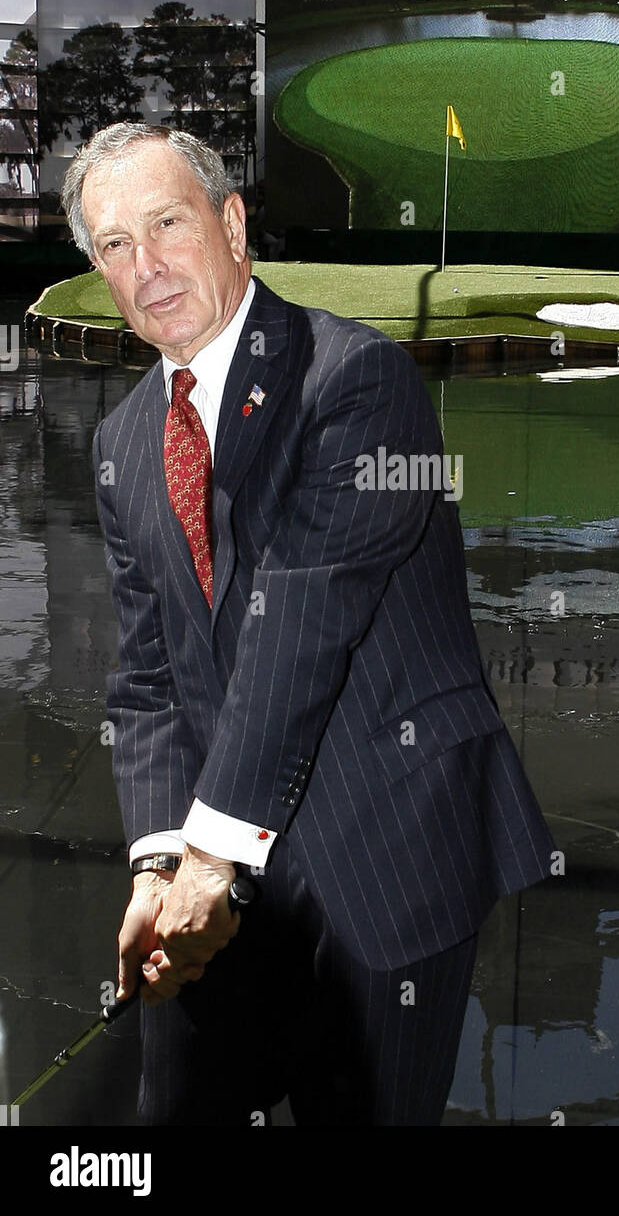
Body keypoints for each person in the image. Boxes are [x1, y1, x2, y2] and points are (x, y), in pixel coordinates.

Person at [63, 122, 556, 1127]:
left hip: (383, 859)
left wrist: (207, 861)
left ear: (232, 224)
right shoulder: (122, 443)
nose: (144, 264)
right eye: (114, 244)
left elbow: (299, 620)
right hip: (216, 877)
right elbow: (149, 679)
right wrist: (161, 860)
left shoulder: (356, 381)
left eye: (167, 223)